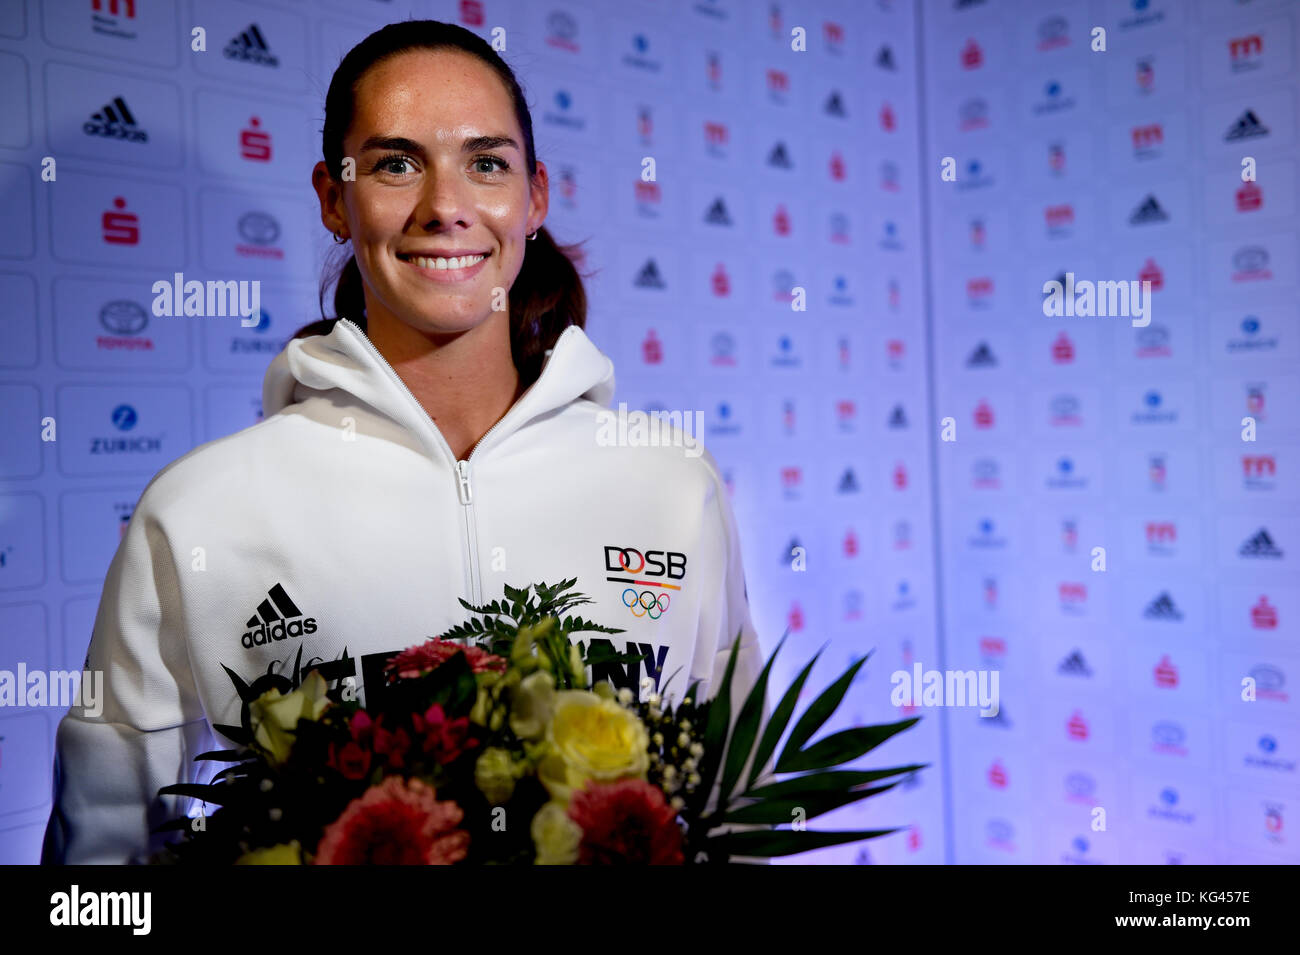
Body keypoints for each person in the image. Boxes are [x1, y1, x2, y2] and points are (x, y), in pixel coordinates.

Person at [41, 19, 770, 865]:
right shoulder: (200, 511)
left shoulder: (671, 482)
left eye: (486, 163)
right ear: (332, 197)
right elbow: (104, 861)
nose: (444, 207)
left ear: (534, 198)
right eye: (395, 164)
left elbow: (742, 811)